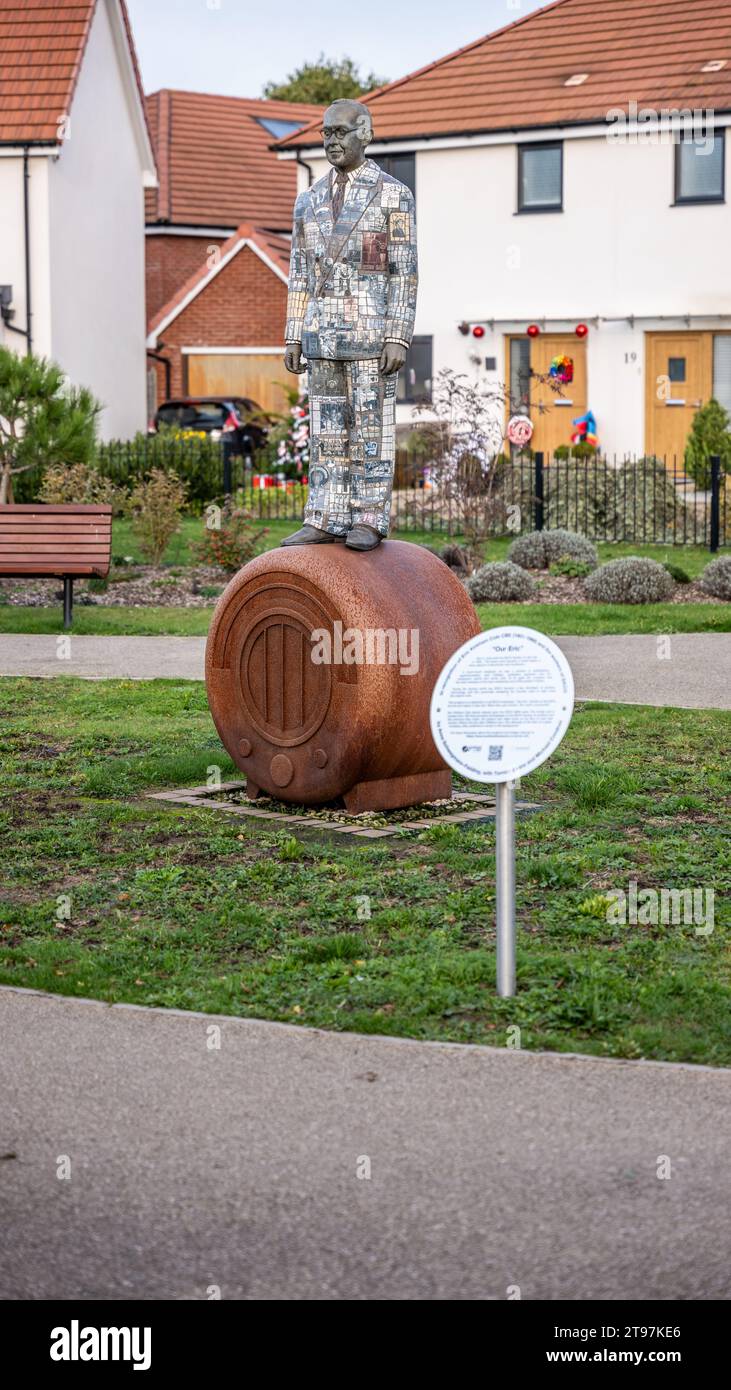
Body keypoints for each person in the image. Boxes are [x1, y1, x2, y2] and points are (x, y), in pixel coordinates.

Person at [281, 98, 418, 552]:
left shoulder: (393, 195)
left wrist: (398, 335)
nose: (332, 141)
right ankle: (325, 515)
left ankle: (369, 518)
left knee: (371, 431)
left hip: (370, 338)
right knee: (326, 431)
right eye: (326, 133)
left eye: (341, 132)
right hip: (322, 338)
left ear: (366, 133)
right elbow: (299, 270)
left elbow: (405, 270)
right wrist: (293, 332)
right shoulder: (309, 200)